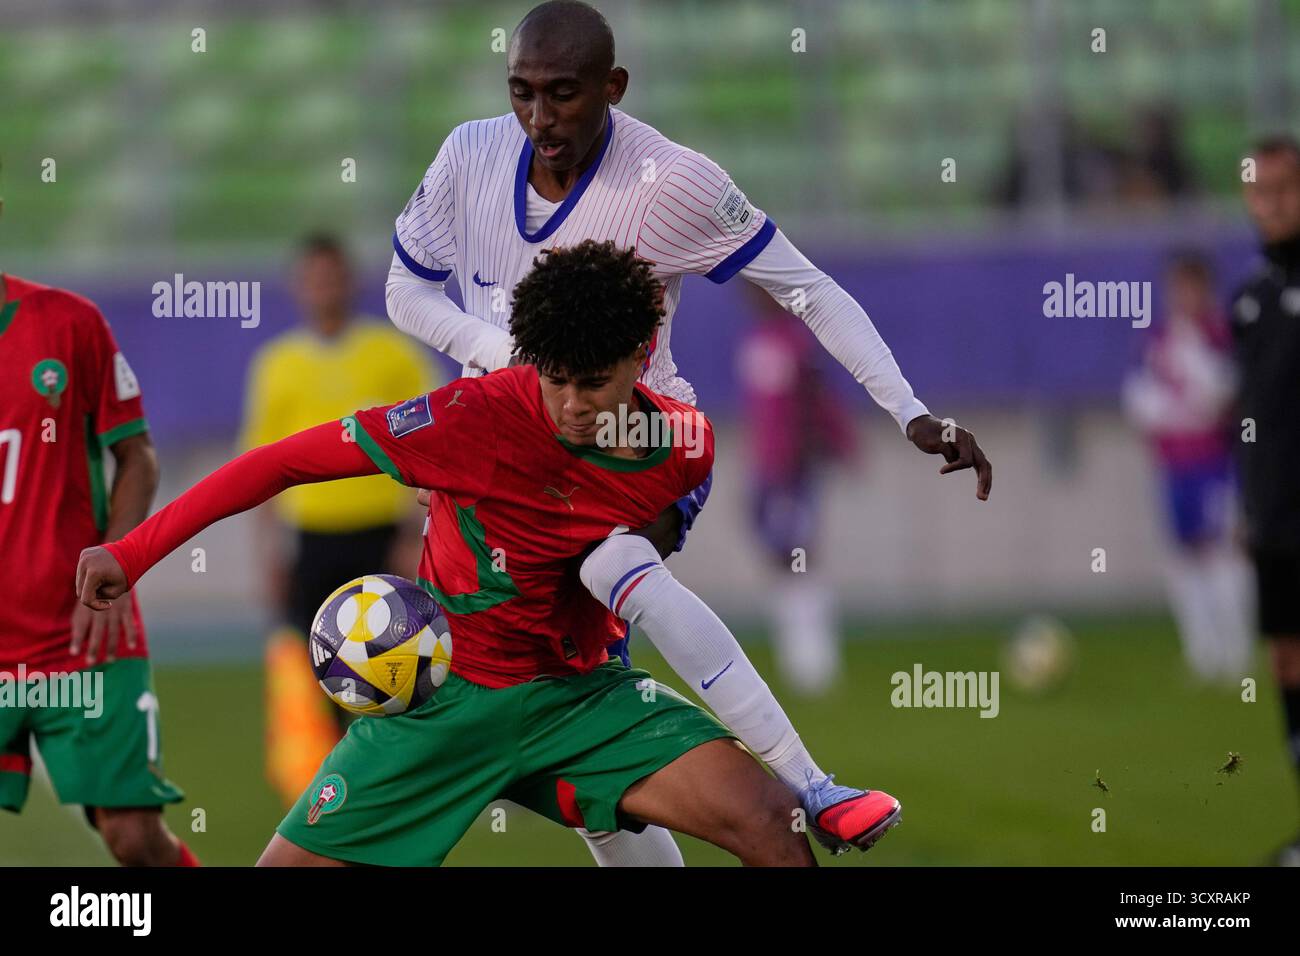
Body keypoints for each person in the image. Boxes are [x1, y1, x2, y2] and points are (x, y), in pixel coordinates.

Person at [385, 0, 991, 865]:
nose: (540, 117)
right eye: (523, 92)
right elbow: (406, 292)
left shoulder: (671, 183)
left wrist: (911, 411)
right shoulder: (467, 156)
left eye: (563, 94)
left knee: (612, 563)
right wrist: (506, 369)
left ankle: (814, 785)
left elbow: (807, 289)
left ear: (613, 86)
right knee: (585, 730)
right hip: (511, 463)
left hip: (641, 436)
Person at [76, 241, 902, 866]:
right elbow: (280, 461)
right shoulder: (469, 416)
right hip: (441, 698)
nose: (573, 405)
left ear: (642, 357)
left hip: (579, 700)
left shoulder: (682, 447)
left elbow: (621, 555)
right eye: (555, 380)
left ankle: (799, 784)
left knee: (773, 824)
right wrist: (135, 550)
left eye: (594, 382)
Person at [0, 269, 196, 866]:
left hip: (81, 629)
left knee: (134, 838)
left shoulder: (68, 322)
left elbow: (137, 455)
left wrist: (116, 568)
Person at [240, 233, 435, 806]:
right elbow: (261, 469)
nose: (324, 288)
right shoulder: (277, 363)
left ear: (350, 281)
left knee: (400, 669)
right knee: (325, 672)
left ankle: (402, 785)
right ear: (300, 286)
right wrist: (270, 554)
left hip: (379, 538)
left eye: (333, 276)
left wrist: (412, 537)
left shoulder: (392, 354)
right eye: (314, 277)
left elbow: (429, 447)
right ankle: (342, 790)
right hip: (314, 541)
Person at [1122, 251, 1252, 683]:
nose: (1182, 297)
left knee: (1222, 552)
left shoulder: (1218, 334)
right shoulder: (1159, 338)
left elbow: (1219, 394)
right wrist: (1168, 407)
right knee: (1183, 556)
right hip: (1172, 463)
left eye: (1190, 287)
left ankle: (1236, 650)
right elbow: (1140, 400)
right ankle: (1202, 651)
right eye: (1176, 288)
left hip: (1213, 462)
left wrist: (1187, 395)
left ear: (1206, 290)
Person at [1229, 134, 1300, 865]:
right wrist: (1247, 506)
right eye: (1257, 191)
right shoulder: (1249, 301)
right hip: (1276, 522)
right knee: (1288, 666)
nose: (1269, 203)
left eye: (1282, 188)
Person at [736, 288, 859, 693]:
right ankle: (799, 653)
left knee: (798, 555)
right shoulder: (756, 342)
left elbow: (817, 400)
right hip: (765, 469)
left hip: (793, 469)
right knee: (778, 555)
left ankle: (813, 661)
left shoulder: (797, 343)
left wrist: (836, 443)